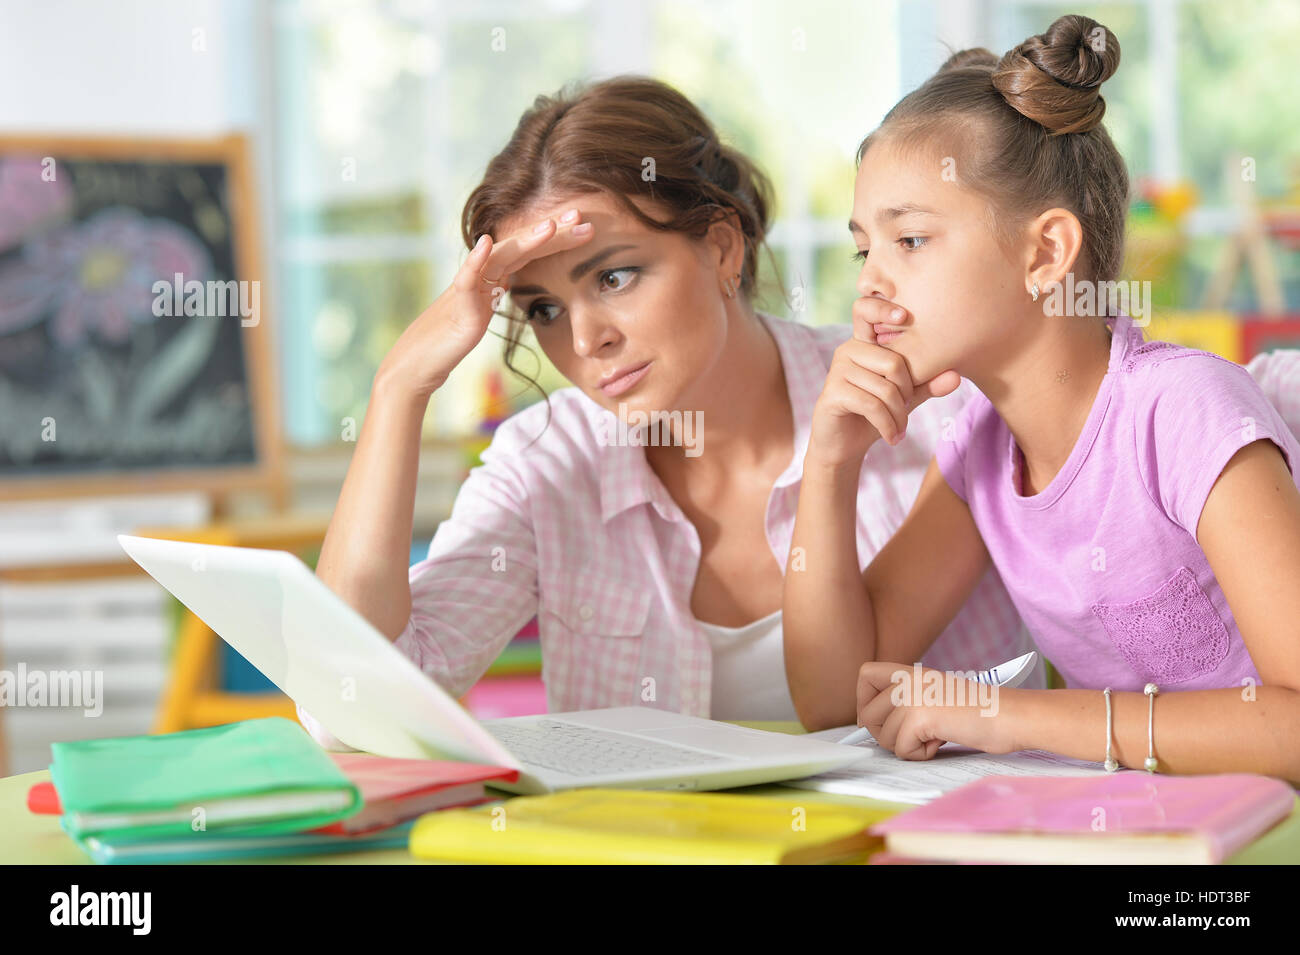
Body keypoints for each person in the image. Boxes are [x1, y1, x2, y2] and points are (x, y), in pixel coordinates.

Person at [296, 75, 1040, 748]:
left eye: (615, 276)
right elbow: (348, 711)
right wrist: (398, 389)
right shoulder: (546, 465)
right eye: (544, 307)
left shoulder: (935, 411)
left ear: (722, 248)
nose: (586, 339)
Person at [787, 15, 1300, 782]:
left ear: (1046, 252)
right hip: (1144, 830)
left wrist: (1004, 715)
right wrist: (829, 463)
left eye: (911, 241)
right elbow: (831, 697)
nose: (869, 283)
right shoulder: (980, 452)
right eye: (866, 247)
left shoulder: (1183, 410)